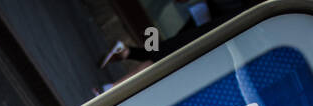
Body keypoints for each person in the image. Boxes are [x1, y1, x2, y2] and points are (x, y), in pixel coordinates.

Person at [99, 0, 247, 67]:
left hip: (212, 15)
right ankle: (113, 87)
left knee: (170, 47)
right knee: (170, 50)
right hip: (215, 17)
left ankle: (127, 52)